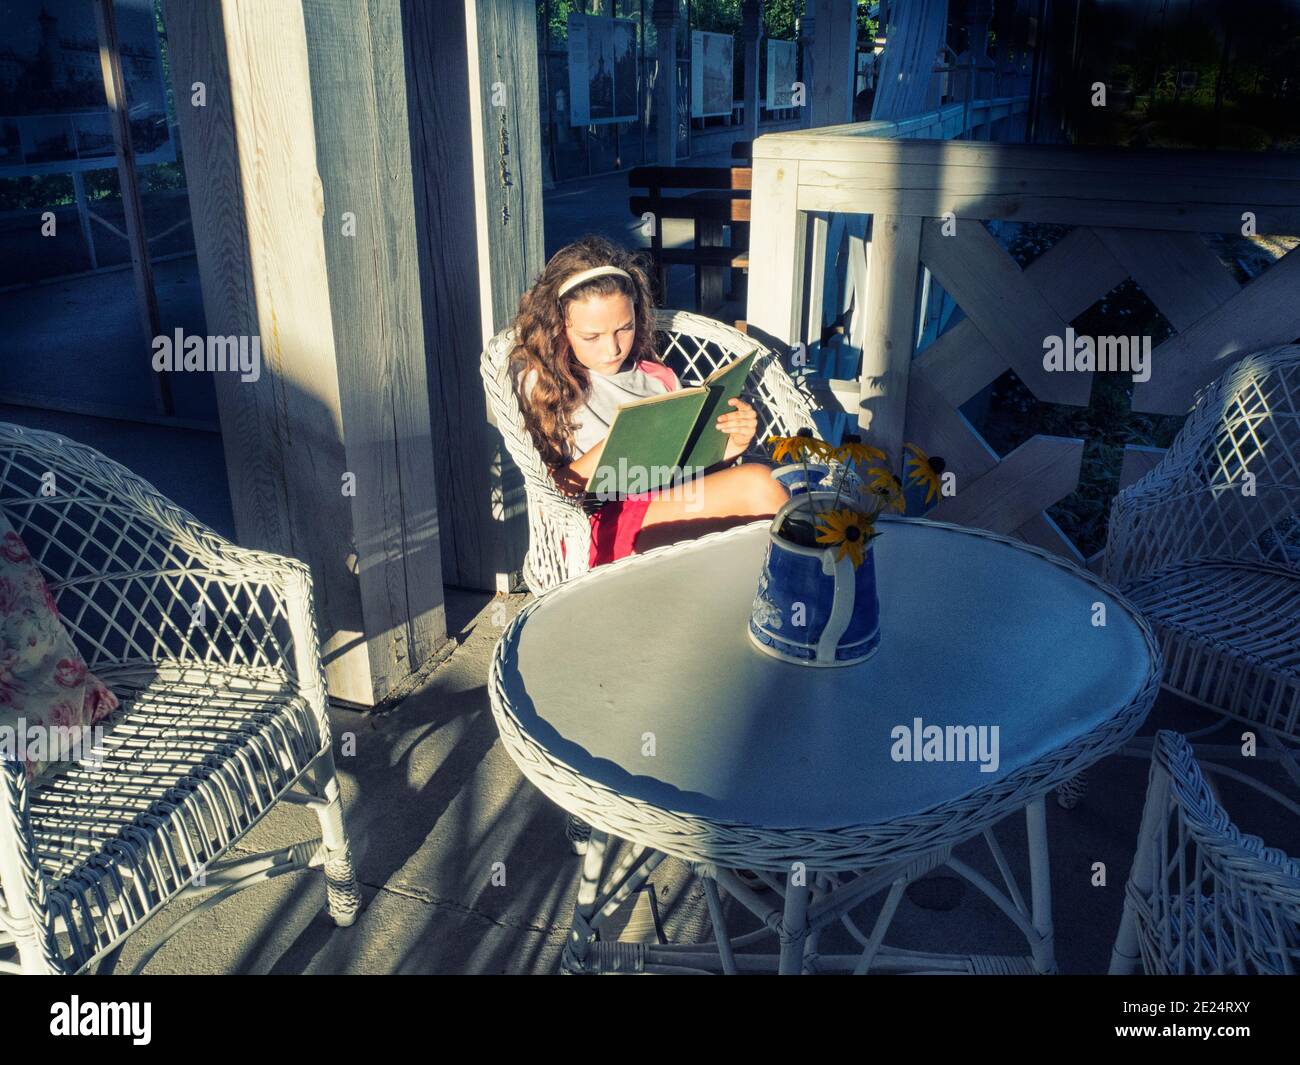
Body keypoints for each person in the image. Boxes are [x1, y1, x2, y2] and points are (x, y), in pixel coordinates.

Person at [510, 235, 789, 569]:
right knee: (762, 487)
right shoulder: (545, 384)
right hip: (599, 525)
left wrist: (729, 445)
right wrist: (610, 451)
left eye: (624, 329)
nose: (612, 348)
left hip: (672, 501)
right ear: (559, 328)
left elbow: (686, 470)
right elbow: (546, 501)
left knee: (770, 493)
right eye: (591, 337)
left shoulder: (658, 378)